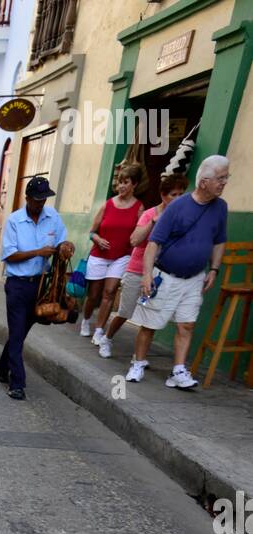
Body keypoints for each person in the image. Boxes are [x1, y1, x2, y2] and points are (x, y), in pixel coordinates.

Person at [126, 154, 230, 389]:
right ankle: (138, 362)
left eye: (226, 178)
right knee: (150, 324)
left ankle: (178, 371)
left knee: (187, 324)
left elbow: (219, 240)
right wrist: (146, 274)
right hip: (165, 276)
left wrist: (214, 268)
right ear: (204, 182)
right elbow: (154, 242)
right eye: (220, 178)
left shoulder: (221, 207)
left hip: (195, 278)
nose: (224, 183)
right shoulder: (178, 207)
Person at [0, 175, 75, 401]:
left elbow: (62, 242)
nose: (41, 203)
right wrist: (37, 252)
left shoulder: (53, 217)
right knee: (18, 334)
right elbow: (9, 255)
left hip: (41, 286)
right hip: (18, 286)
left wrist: (66, 246)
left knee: (19, 333)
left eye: (44, 199)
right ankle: (17, 383)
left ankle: (2, 368)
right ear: (27, 198)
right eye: (37, 199)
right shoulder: (14, 220)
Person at [97, 173, 188, 358]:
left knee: (149, 315)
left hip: (159, 276)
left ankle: (139, 357)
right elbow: (135, 241)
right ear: (163, 195)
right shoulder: (149, 214)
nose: (178, 199)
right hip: (137, 271)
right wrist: (154, 222)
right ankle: (107, 338)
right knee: (126, 311)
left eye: (181, 194)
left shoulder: (181, 217)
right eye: (174, 194)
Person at [79, 163, 144, 346]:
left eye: (126, 182)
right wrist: (97, 239)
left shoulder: (139, 208)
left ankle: (99, 331)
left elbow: (139, 234)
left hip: (121, 256)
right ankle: (86, 320)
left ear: (135, 184)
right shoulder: (107, 205)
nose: (121, 186)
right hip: (99, 255)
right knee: (94, 294)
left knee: (109, 293)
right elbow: (92, 232)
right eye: (120, 182)